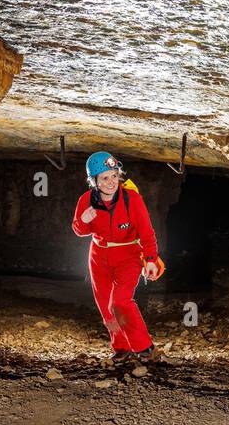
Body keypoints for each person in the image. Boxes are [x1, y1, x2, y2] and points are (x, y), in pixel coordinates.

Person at [71, 152, 165, 361]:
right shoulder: (86, 200)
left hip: (128, 254)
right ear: (94, 181)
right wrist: (83, 221)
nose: (111, 182)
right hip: (98, 256)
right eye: (104, 178)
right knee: (106, 306)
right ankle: (121, 348)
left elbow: (147, 233)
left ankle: (144, 348)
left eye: (114, 175)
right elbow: (78, 230)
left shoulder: (132, 199)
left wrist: (150, 259)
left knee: (120, 302)